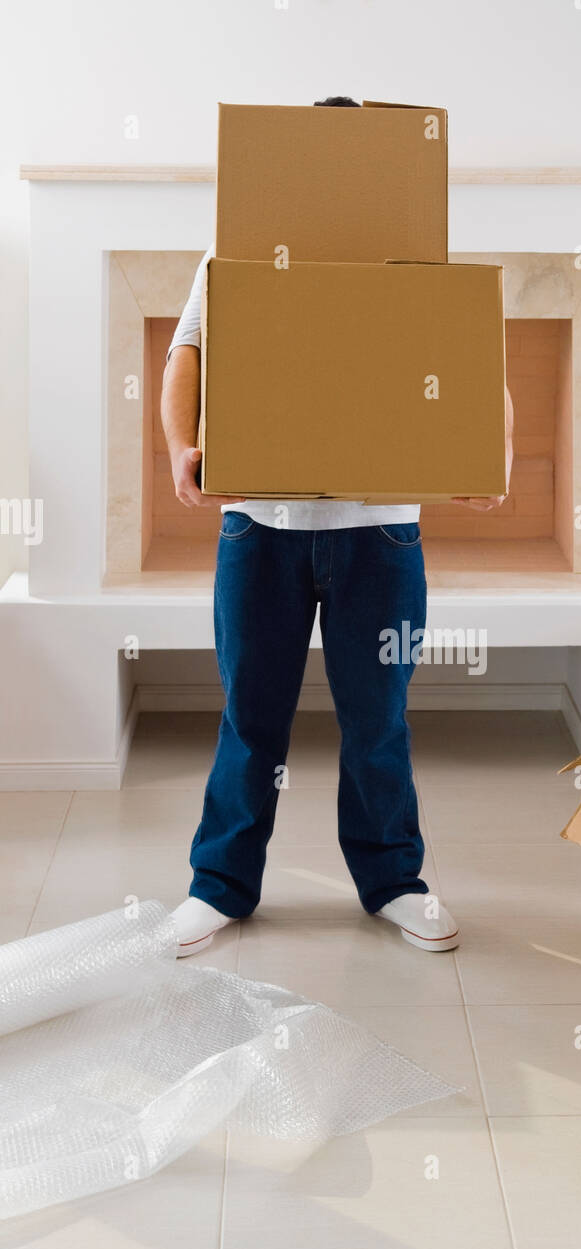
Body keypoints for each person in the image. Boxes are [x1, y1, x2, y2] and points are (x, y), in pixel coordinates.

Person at [160, 95, 513, 958]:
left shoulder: (415, 255)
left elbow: (476, 367)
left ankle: (394, 880)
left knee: (377, 717)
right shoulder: (231, 254)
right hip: (260, 528)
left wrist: (483, 456)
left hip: (379, 531)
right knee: (251, 712)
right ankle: (220, 887)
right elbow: (187, 356)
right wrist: (181, 446)